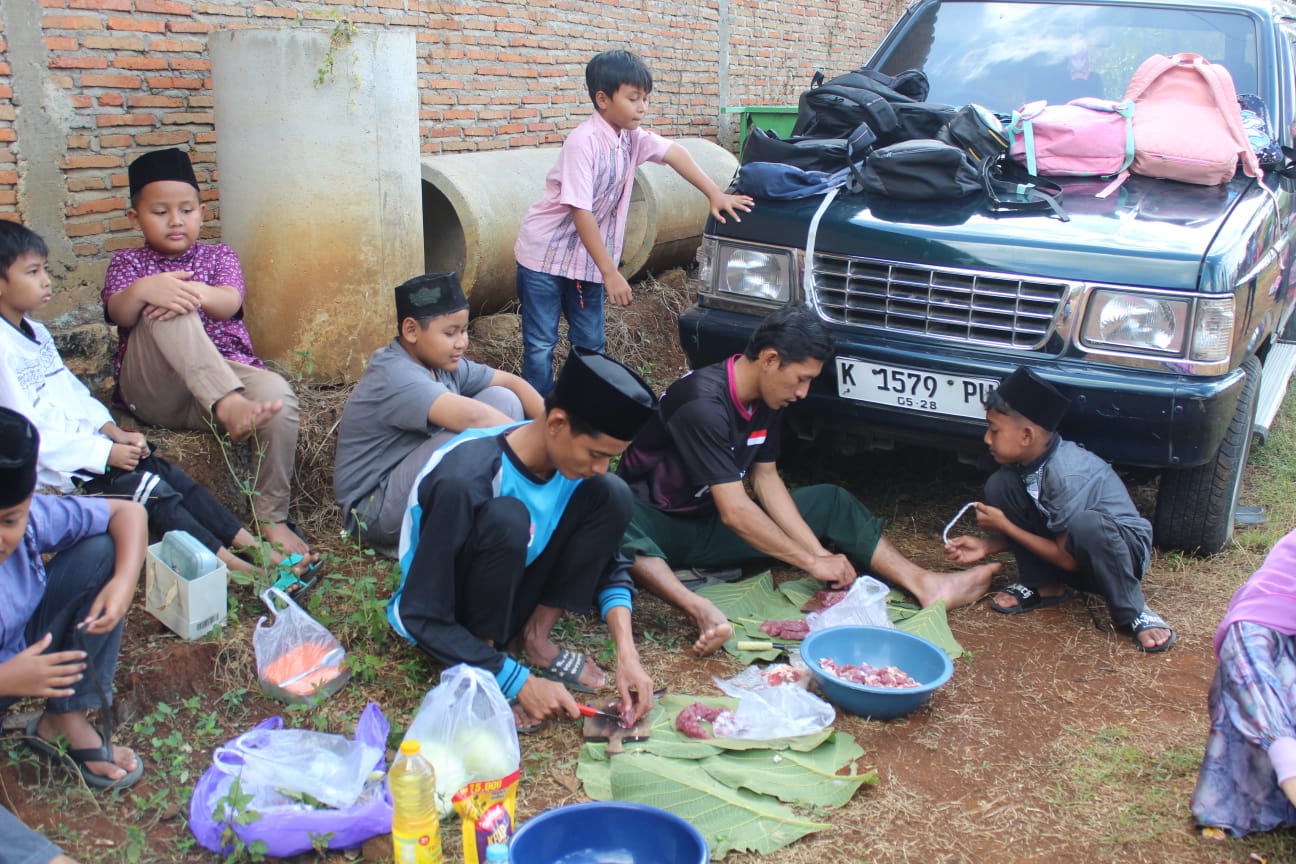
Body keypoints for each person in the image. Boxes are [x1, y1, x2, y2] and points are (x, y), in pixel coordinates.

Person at [617, 306, 999, 656]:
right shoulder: (702, 403)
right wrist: (809, 563)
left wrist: (821, 556)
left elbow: (766, 481)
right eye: (801, 379)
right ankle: (698, 608)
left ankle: (924, 583)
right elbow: (736, 511)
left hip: (706, 520)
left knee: (830, 500)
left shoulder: (768, 399)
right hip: (657, 524)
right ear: (770, 359)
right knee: (615, 510)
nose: (803, 393)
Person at [0, 221, 313, 593]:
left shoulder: (36, 332)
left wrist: (111, 430)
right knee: (152, 491)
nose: (46, 281)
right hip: (62, 472)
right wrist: (103, 453)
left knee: (170, 475)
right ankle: (239, 571)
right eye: (33, 272)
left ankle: (258, 550)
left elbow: (72, 394)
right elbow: (26, 435)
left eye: (45, 270)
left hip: (91, 451)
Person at [388, 348, 658, 733]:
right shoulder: (465, 479)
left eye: (610, 457)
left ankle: (535, 637)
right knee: (508, 517)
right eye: (596, 454)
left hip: (510, 587)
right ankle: (486, 665)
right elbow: (419, 613)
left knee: (612, 493)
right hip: (447, 611)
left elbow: (609, 566)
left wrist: (627, 656)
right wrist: (518, 681)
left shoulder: (571, 467)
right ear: (557, 424)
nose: (599, 467)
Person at [100, 147, 315, 563]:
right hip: (156, 388)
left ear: (201, 211)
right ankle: (230, 405)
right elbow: (118, 311)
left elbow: (229, 301)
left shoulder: (220, 256)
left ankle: (271, 517)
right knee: (167, 302)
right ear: (135, 218)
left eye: (185, 210)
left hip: (217, 379)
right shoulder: (127, 262)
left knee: (279, 395)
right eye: (160, 211)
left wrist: (194, 291)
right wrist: (147, 289)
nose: (175, 220)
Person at [513, 48, 753, 396]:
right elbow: (580, 211)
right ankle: (537, 418)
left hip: (586, 263)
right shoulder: (584, 142)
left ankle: (584, 410)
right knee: (540, 343)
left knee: (590, 341)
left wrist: (714, 193)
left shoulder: (631, 138)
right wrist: (611, 273)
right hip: (544, 258)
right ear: (603, 99)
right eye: (634, 98)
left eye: (645, 98)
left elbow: (675, 153)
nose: (642, 107)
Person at [943, 366, 1175, 652]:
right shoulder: (1028, 466)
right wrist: (986, 545)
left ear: (1027, 435)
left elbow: (1068, 559)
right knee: (1000, 485)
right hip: (1073, 549)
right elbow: (1054, 533)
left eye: (994, 430)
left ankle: (1133, 610)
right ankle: (1045, 585)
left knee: (1088, 525)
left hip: (1118, 556)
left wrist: (1005, 526)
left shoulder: (1067, 473)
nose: (987, 439)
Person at [0, 408, 147, 827]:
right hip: (9, 674)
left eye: (10, 520)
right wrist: (8, 679)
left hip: (23, 658)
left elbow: (129, 514)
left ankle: (65, 718)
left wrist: (123, 584)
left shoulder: (28, 521)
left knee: (102, 551)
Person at [333, 272, 543, 556]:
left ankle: (488, 505)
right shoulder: (395, 374)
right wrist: (543, 454)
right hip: (375, 511)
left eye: (464, 330)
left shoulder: (440, 362)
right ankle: (472, 521)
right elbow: (474, 420)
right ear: (411, 331)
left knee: (503, 399)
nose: (461, 342)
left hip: (408, 480)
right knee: (466, 435)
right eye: (450, 333)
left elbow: (511, 382)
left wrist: (549, 431)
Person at [1192, 529, 1296, 836]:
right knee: (1255, 679)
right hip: (1270, 687)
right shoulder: (1262, 613)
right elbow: (1247, 658)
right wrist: (1285, 756)